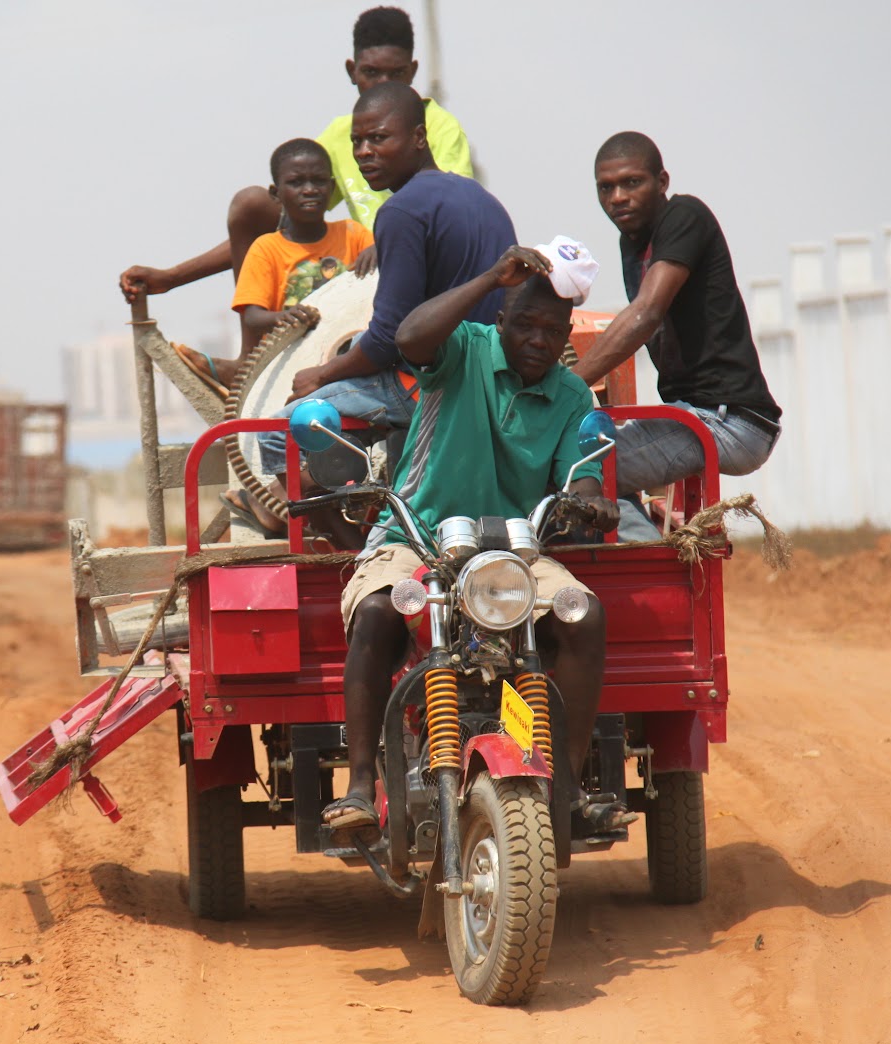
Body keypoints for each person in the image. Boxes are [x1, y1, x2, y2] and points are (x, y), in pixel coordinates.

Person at [324, 243, 628, 835]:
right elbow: (410, 338)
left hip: (515, 551)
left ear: (567, 332)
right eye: (525, 324)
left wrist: (591, 500)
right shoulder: (462, 348)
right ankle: (361, 784)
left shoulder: (570, 395)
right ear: (501, 320)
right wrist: (491, 274)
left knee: (582, 617)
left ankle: (565, 786)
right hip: (416, 536)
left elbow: (582, 475)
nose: (538, 339)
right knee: (379, 613)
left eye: (551, 329)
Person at [228, 81, 515, 533]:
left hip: (432, 384)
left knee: (276, 430)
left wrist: (321, 375)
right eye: (357, 141)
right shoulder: (484, 201)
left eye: (378, 138)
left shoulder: (401, 212)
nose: (364, 152)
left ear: (419, 138)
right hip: (494, 378)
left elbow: (387, 340)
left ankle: (331, 535)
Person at [116, 6, 473, 368]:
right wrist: (172, 278)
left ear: (412, 72)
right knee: (252, 203)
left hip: (414, 266)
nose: (383, 86)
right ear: (352, 72)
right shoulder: (342, 135)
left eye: (396, 75)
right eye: (371, 73)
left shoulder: (438, 128)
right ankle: (251, 359)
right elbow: (286, 216)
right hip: (355, 273)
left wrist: (389, 241)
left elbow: (455, 208)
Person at [572, 132, 782, 542]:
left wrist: (567, 382)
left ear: (662, 182)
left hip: (728, 419)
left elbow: (645, 314)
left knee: (577, 465)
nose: (617, 197)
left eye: (632, 182)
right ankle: (637, 535)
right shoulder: (631, 242)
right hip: (694, 412)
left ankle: (643, 555)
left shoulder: (684, 217)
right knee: (586, 443)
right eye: (606, 187)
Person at [228, 139, 374, 372]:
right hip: (287, 365)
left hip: (347, 357)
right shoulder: (266, 248)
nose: (309, 190)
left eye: (318, 181)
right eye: (296, 182)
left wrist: (380, 248)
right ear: (276, 194)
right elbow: (253, 317)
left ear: (333, 187)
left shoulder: (353, 234)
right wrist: (284, 318)